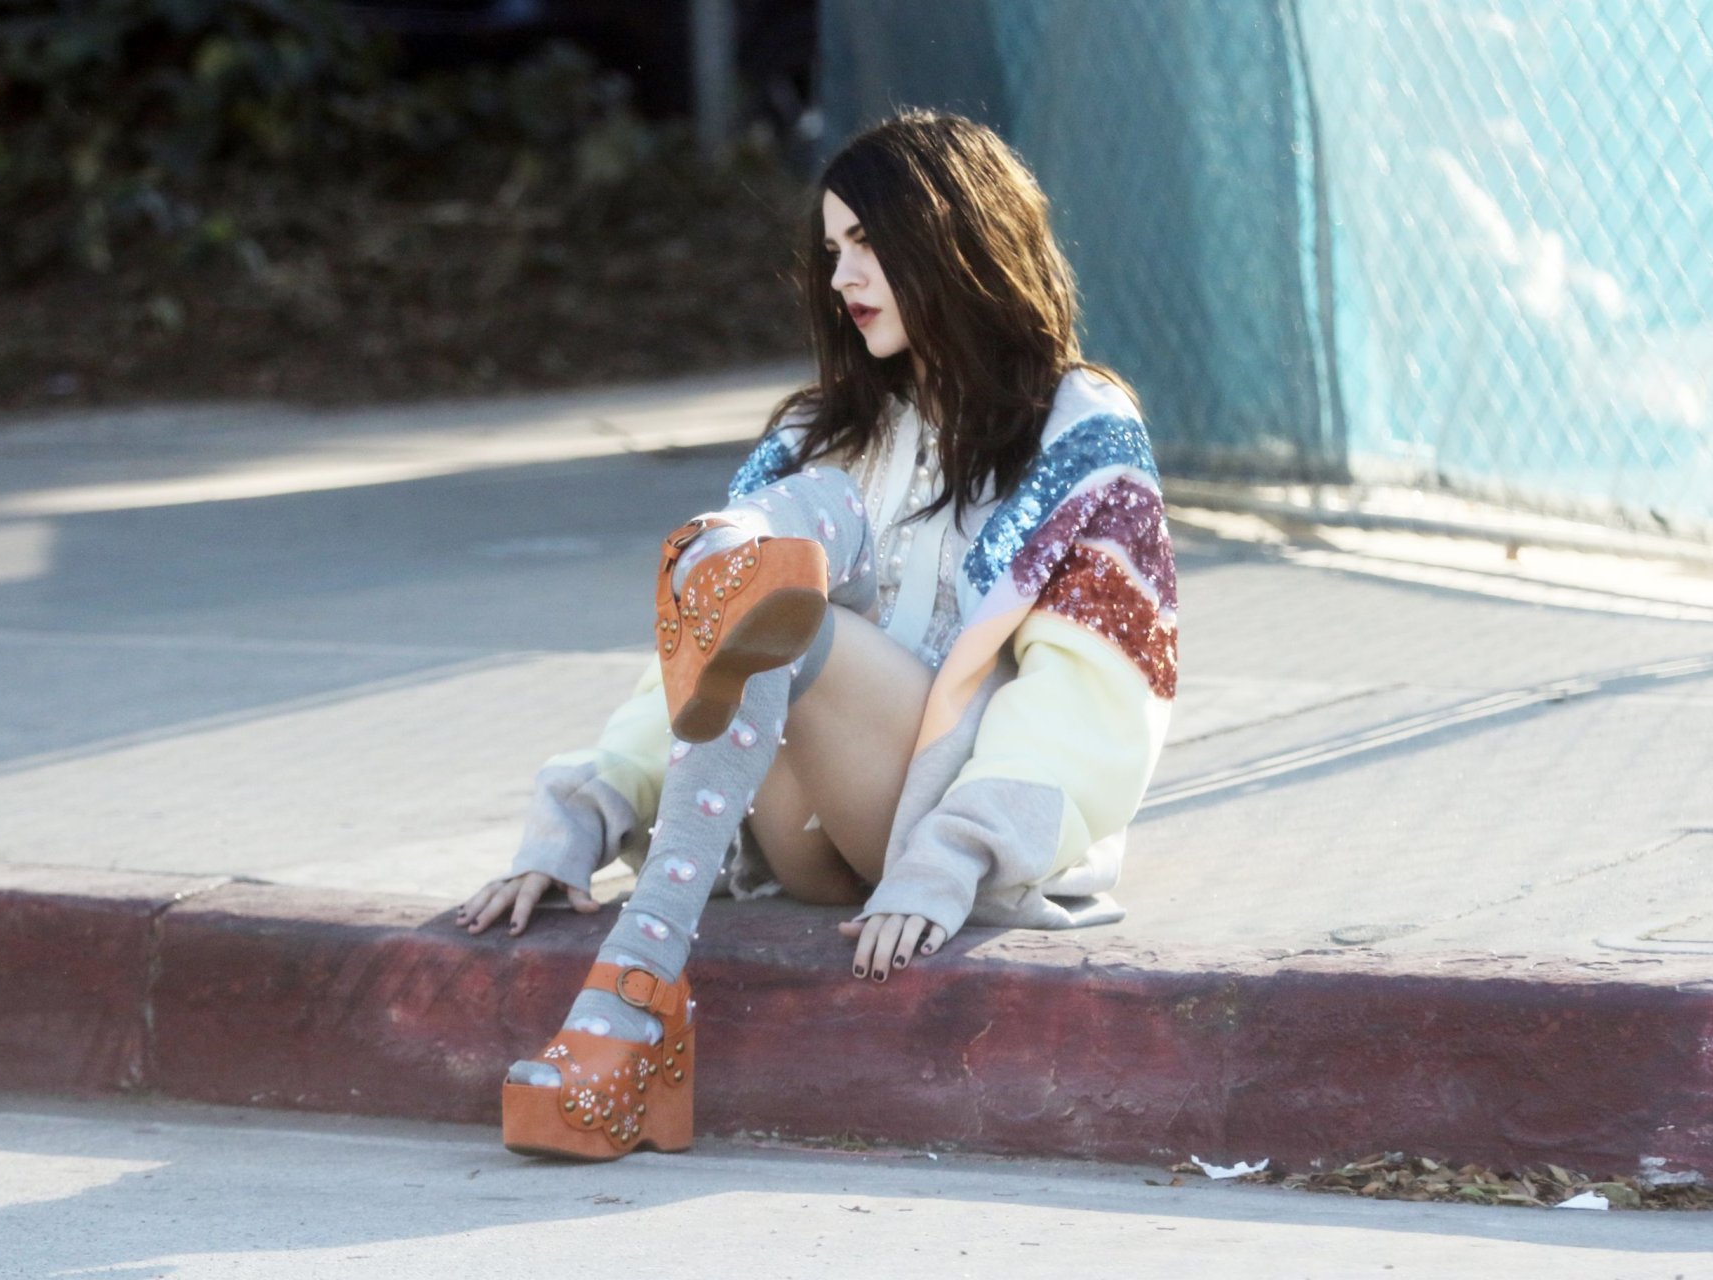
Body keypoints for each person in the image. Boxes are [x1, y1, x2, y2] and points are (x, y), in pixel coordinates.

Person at [457, 110, 1179, 1161]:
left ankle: (632, 1002)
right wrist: (593, 805)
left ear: (955, 239)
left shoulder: (1078, 429)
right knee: (757, 568)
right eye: (834, 248)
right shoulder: (817, 429)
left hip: (930, 820)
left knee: (781, 605)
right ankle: (635, 999)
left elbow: (1096, 692)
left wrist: (951, 860)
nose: (843, 276)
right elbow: (705, 657)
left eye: (870, 243)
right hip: (803, 831)